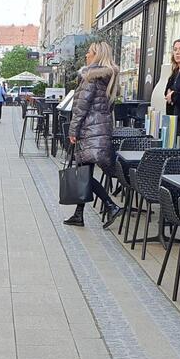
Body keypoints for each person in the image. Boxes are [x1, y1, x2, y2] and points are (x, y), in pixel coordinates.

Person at [65, 41, 122, 228]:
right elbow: (110, 105)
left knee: (85, 175)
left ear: (96, 55)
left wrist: (73, 130)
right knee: (85, 171)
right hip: (101, 129)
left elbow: (81, 107)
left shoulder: (90, 77)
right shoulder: (110, 78)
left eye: (89, 52)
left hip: (89, 130)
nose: (86, 55)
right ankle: (79, 214)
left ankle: (110, 205)